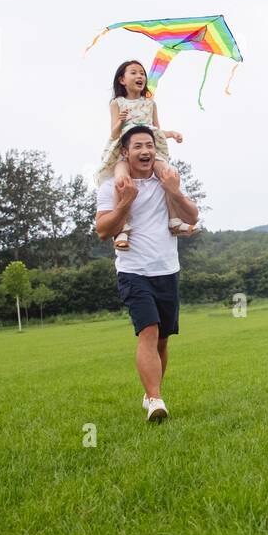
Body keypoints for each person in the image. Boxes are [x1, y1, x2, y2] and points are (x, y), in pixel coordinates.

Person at [95, 124, 200, 422]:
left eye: (149, 146)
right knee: (149, 332)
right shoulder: (111, 188)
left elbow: (192, 216)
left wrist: (175, 192)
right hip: (133, 271)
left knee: (163, 339)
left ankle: (151, 392)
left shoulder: (166, 182)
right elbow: (103, 230)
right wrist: (126, 201)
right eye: (138, 146)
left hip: (167, 270)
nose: (145, 151)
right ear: (125, 153)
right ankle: (155, 400)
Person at [96, 60, 194, 250]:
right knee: (121, 179)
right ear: (122, 80)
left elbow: (155, 130)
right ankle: (122, 229)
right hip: (124, 150)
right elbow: (115, 133)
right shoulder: (117, 103)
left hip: (149, 145)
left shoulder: (150, 103)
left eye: (142, 73)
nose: (140, 76)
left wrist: (171, 134)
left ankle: (174, 221)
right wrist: (121, 121)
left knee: (168, 173)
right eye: (134, 73)